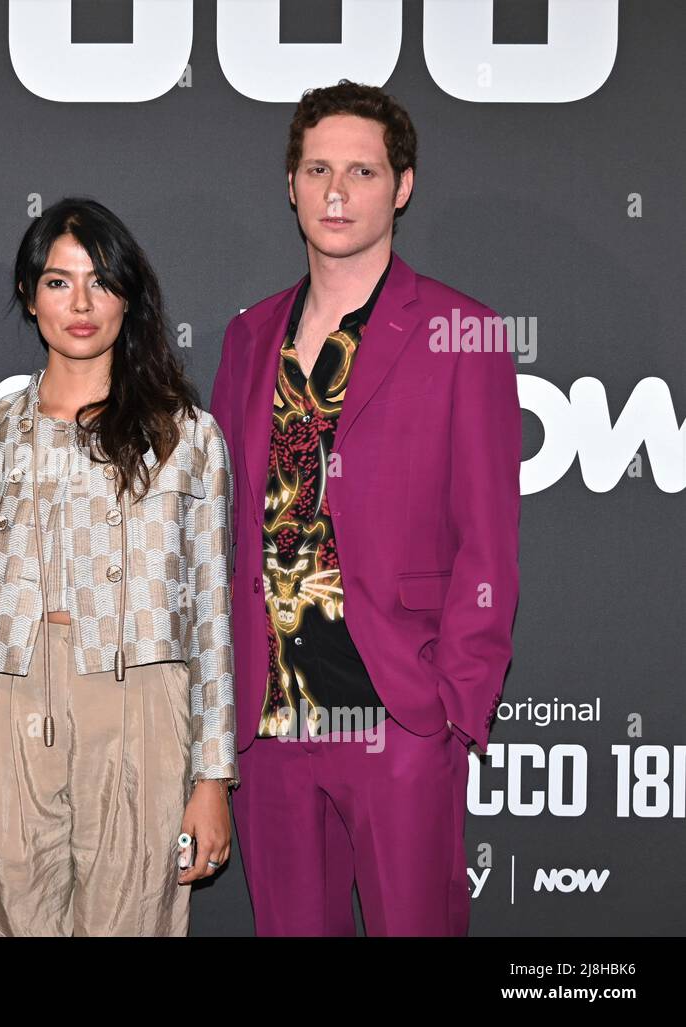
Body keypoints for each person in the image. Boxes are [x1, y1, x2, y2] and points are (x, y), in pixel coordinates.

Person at [210, 81, 521, 936]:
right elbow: (228, 527)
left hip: (398, 713)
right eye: (317, 169)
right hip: (269, 722)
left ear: (403, 185)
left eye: (362, 170)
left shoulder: (465, 333)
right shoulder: (249, 336)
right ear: (291, 184)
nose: (337, 192)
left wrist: (454, 704)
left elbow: (488, 542)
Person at [0, 197, 238, 936]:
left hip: (140, 695)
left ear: (127, 298)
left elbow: (212, 608)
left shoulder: (185, 436)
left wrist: (213, 775)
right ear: (28, 295)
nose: (81, 303)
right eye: (59, 281)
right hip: (6, 700)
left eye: (100, 282)